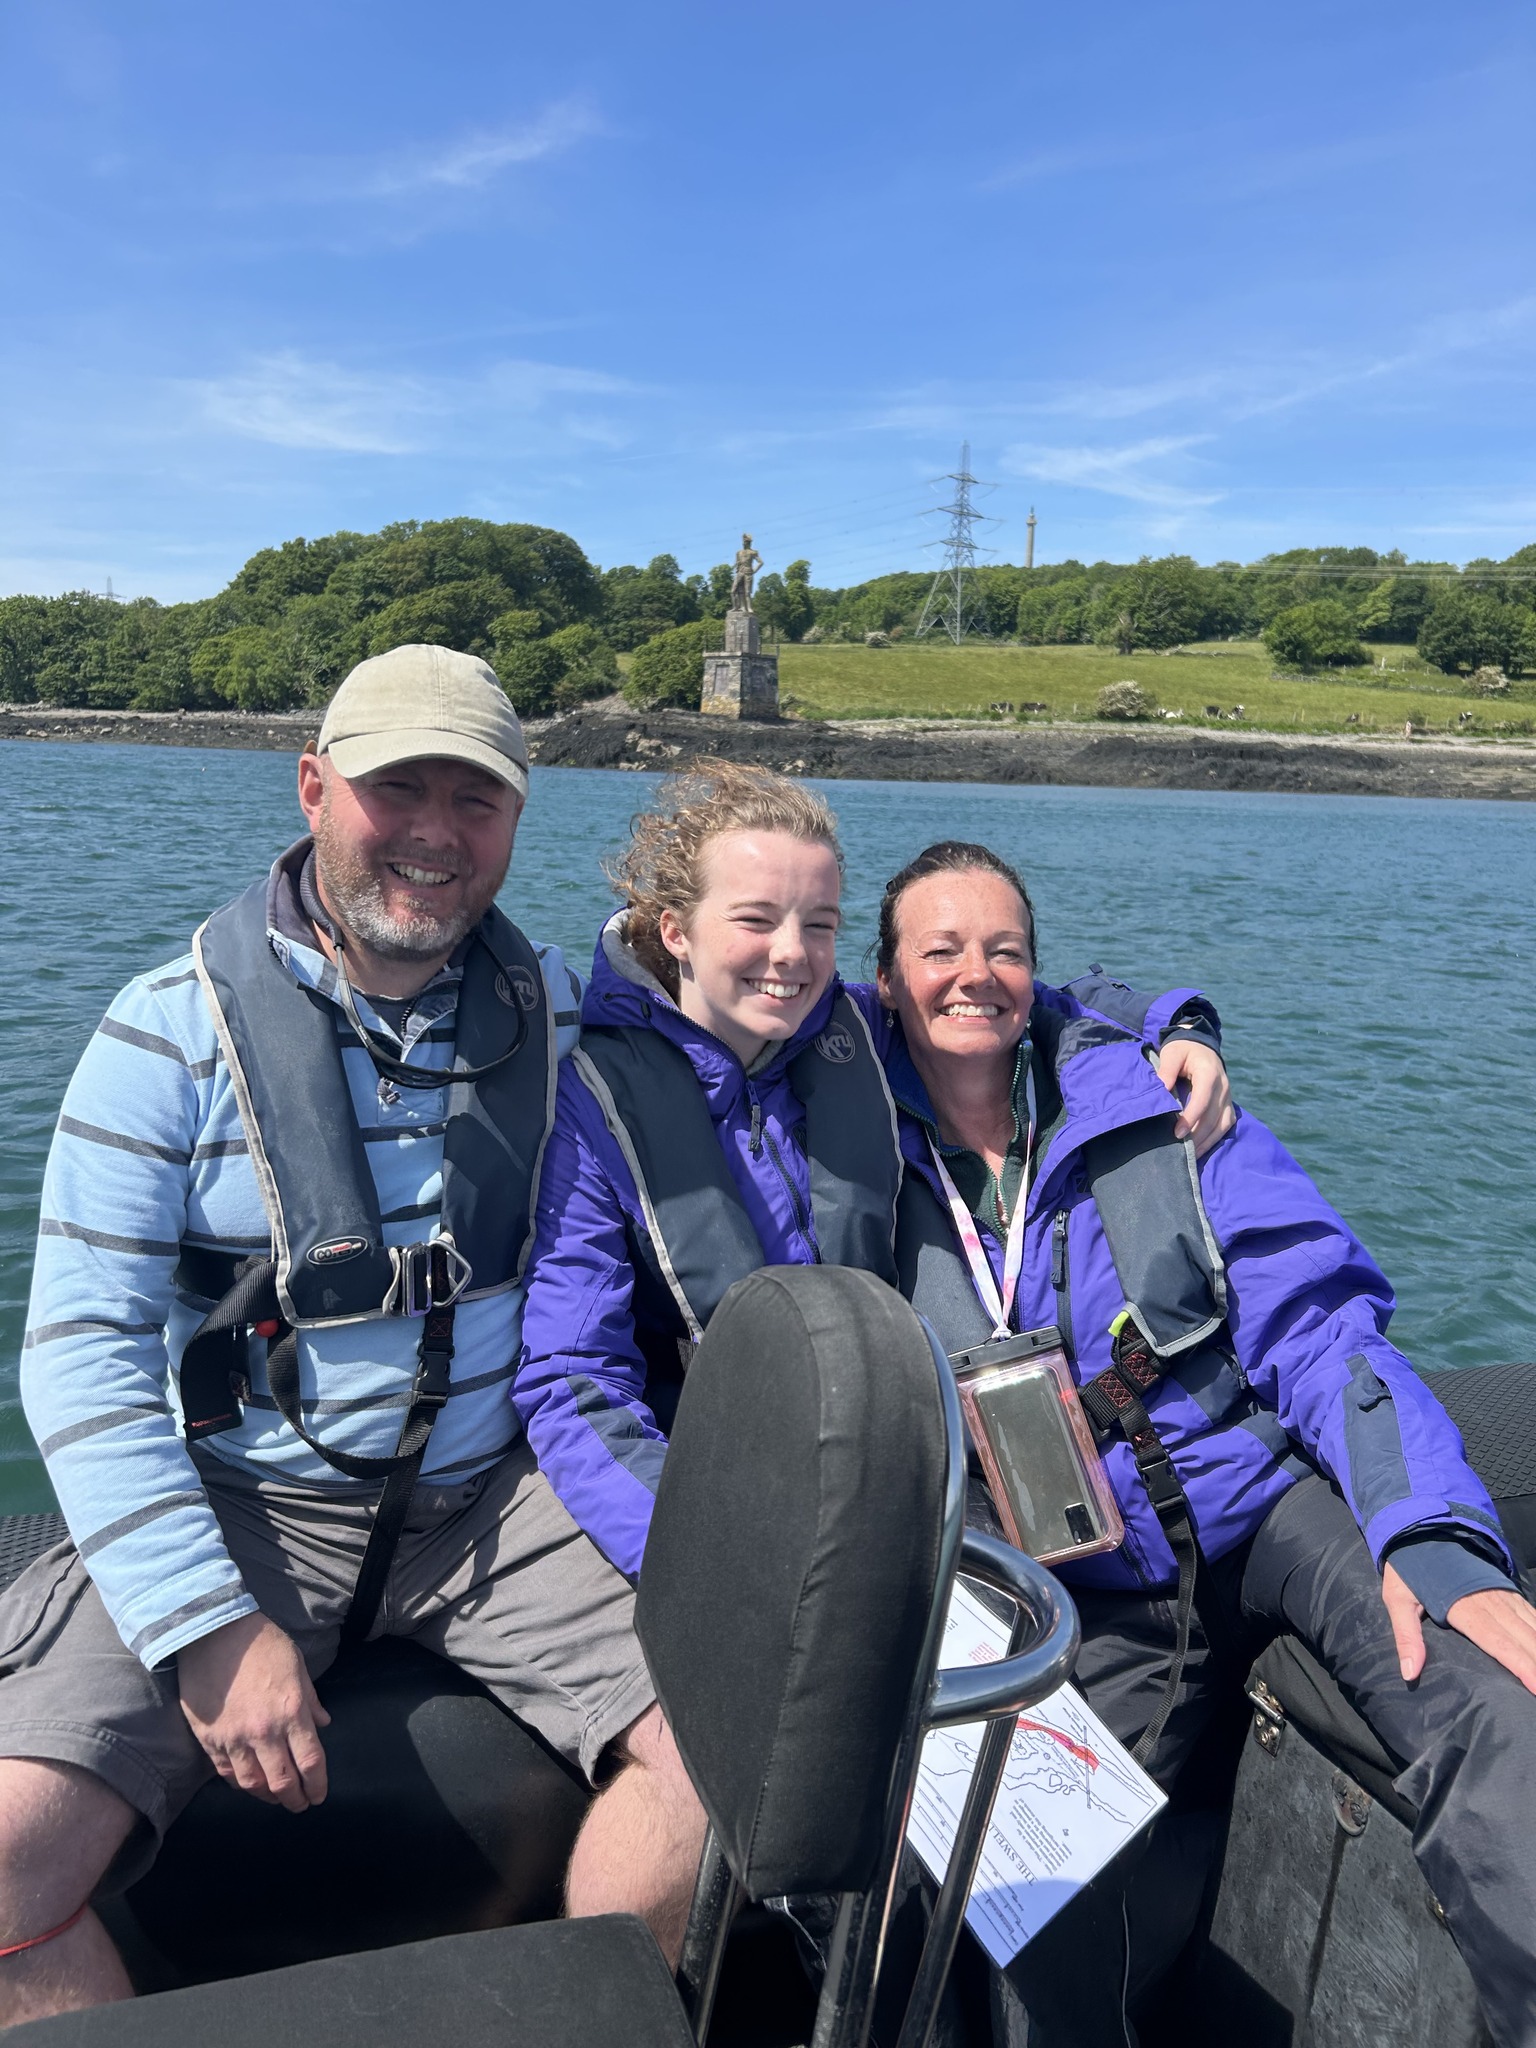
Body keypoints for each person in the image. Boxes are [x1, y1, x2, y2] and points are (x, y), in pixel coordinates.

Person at [0, 644, 705, 2029]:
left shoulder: (563, 1014)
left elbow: (795, 1005)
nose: (436, 835)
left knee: (732, 1749)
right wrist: (206, 1630)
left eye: (477, 800)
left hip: (502, 1502)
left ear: (516, 822)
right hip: (247, 1497)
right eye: (399, 789)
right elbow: (79, 1352)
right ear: (314, 786)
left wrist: (1139, 1034)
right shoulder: (165, 1034)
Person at [867, 839, 1536, 2046]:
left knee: (1489, 1685)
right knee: (1027, 1896)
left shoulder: (1166, 1109)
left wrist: (1431, 1533)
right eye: (941, 950)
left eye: (1005, 948)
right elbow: (707, 1027)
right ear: (883, 982)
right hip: (1076, 1593)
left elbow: (1324, 1333)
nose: (978, 974)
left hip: (1257, 1510)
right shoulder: (842, 1154)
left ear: (1039, 973)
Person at [514, 763, 1231, 1586]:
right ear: (675, 930)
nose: (791, 955)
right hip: (730, 1494)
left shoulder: (851, 1031)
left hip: (893, 1473)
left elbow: (1017, 1000)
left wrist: (1176, 1025)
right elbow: (575, 1379)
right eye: (755, 919)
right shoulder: (593, 1103)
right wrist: (692, 1562)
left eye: (819, 925)